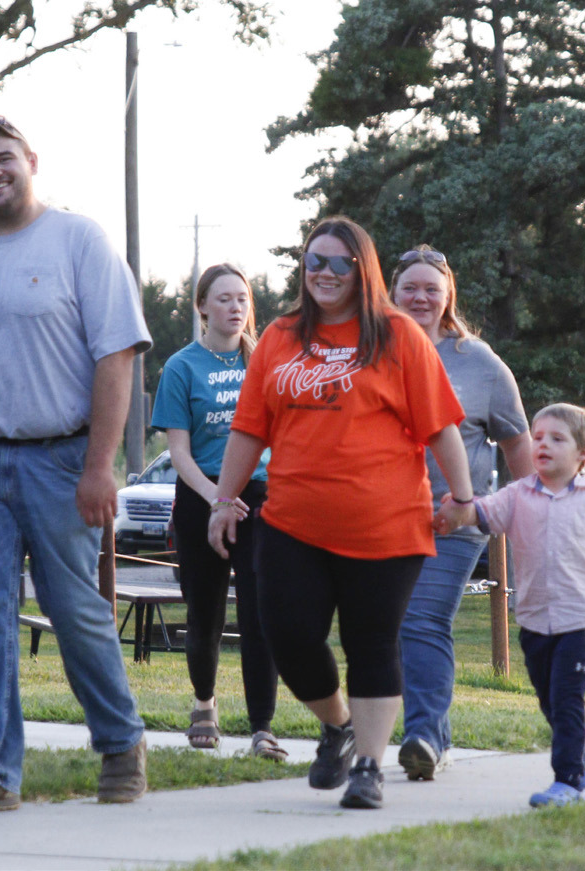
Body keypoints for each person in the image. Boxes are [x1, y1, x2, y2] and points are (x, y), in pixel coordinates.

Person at [0, 116, 148, 814]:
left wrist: (100, 466)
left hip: (61, 459)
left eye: (3, 158)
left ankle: (121, 741)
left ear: (31, 161)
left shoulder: (80, 241)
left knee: (72, 608)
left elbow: (117, 357)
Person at [207, 216, 473, 810]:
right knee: (288, 636)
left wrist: (462, 499)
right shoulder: (280, 336)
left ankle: (369, 769)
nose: (323, 273)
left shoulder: (398, 335)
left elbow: (441, 426)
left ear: (363, 269)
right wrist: (224, 501)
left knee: (372, 643)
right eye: (313, 262)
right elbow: (248, 429)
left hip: (386, 526)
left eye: (338, 263)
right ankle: (338, 725)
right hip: (293, 523)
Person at [436, 403, 585, 808]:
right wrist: (456, 513)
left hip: (581, 618)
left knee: (567, 698)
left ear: (583, 453)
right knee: (550, 701)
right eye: (537, 437)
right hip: (534, 619)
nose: (543, 444)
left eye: (556, 438)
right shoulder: (517, 495)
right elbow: (480, 511)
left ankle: (569, 782)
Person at [389, 245, 533, 780]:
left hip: (451, 519)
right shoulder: (370, 349)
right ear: (392, 293)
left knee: (422, 618)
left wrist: (523, 518)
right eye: (410, 288)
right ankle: (434, 736)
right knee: (390, 628)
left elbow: (518, 445)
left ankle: (424, 736)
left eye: (432, 288)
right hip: (379, 517)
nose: (420, 297)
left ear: (448, 295)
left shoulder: (480, 363)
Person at [150, 263, 285, 760]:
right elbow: (178, 453)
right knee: (204, 611)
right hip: (201, 496)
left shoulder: (265, 362)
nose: (235, 307)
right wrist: (217, 498)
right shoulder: (181, 367)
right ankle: (204, 703)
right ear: (202, 306)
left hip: (260, 498)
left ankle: (262, 727)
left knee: (259, 611)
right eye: (224, 299)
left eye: (242, 299)